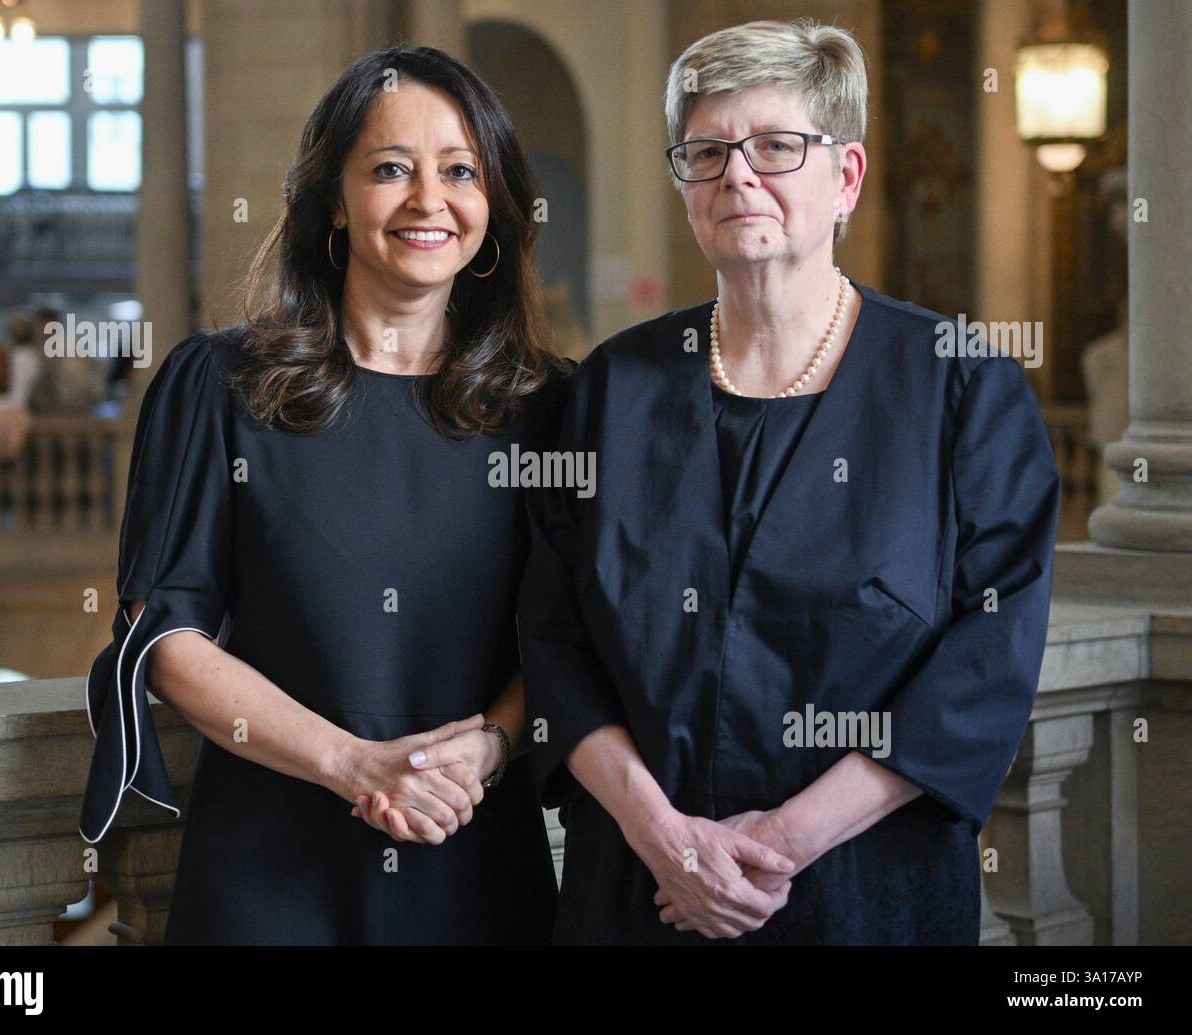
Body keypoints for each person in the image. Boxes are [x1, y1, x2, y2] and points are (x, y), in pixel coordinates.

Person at [518, 18, 1061, 945]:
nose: (738, 174)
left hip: (863, 891)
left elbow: (986, 662)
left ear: (845, 176)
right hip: (640, 889)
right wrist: (667, 840)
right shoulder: (612, 386)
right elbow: (555, 641)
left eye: (775, 146)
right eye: (707, 150)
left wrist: (772, 845)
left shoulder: (960, 383)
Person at [78, 45, 566, 945]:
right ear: (334, 202)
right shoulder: (218, 386)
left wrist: (491, 746)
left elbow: (574, 631)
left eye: (460, 170)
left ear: (493, 204)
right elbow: (168, 637)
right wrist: (356, 765)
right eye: (389, 169)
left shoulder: (554, 410)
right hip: (272, 872)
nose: (429, 199)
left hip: (475, 857)